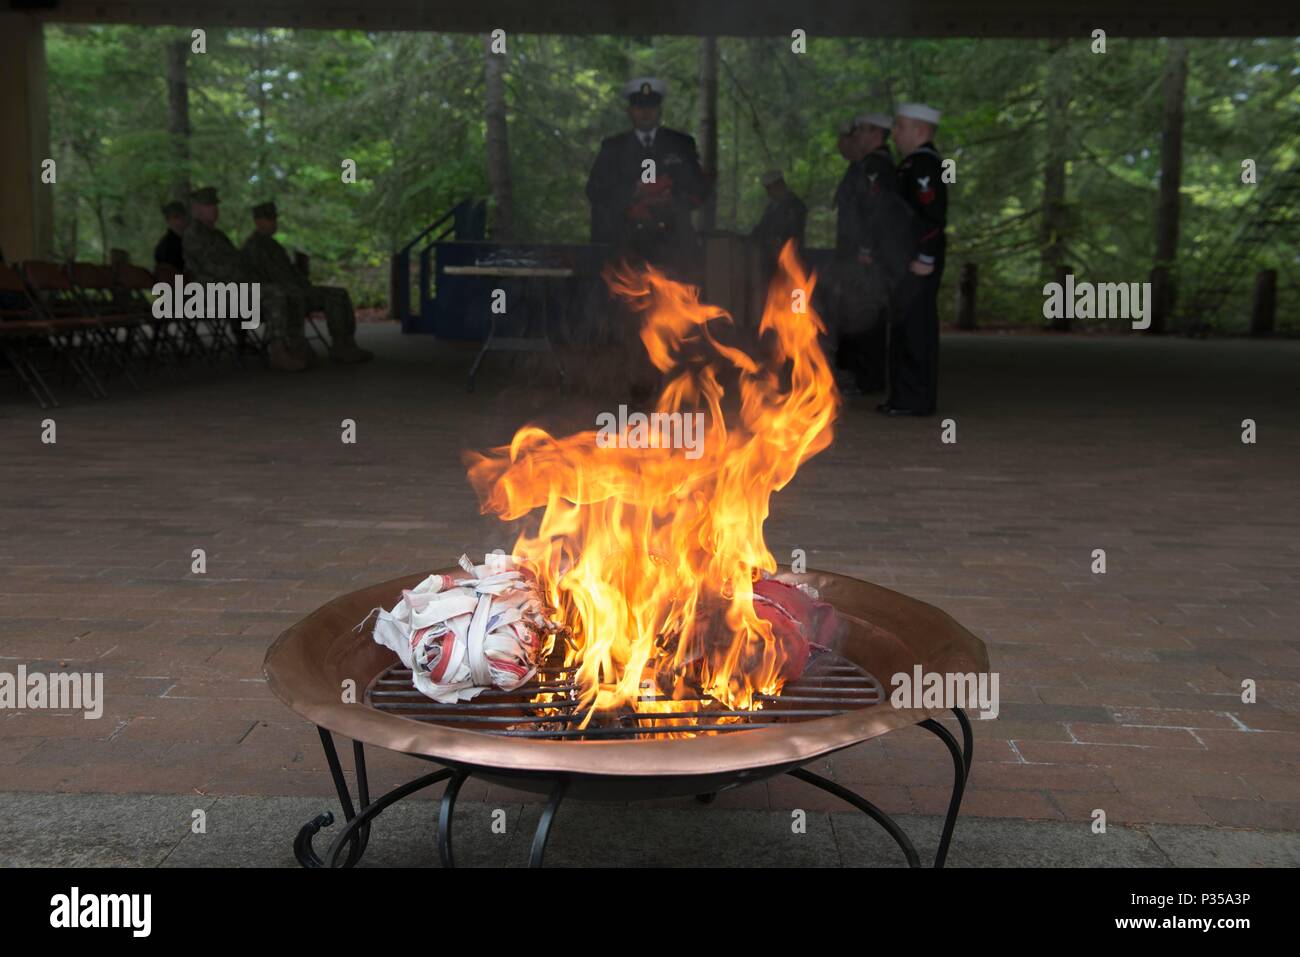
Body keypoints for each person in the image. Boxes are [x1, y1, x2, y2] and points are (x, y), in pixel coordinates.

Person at [585, 77, 709, 278]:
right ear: (630, 111)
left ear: (660, 111)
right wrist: (634, 192)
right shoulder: (613, 147)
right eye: (639, 107)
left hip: (672, 246)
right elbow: (594, 191)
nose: (645, 112)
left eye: (651, 107)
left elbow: (699, 189)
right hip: (625, 246)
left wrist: (671, 197)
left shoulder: (681, 144)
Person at [183, 186, 306, 371]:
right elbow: (215, 270)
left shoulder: (217, 235)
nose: (214, 209)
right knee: (274, 293)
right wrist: (245, 279)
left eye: (215, 205)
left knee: (289, 291)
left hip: (231, 288)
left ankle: (297, 346)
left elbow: (237, 262)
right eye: (208, 205)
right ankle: (278, 351)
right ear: (196, 209)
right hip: (213, 292)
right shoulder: (194, 236)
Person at [240, 202, 373, 364]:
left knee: (338, 294)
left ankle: (344, 344)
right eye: (269, 219)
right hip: (280, 295)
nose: (274, 223)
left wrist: (301, 280)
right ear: (258, 221)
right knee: (296, 297)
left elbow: (289, 272)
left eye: (274, 219)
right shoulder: (253, 247)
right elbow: (264, 279)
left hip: (297, 288)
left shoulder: (273, 245)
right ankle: (297, 346)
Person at [880, 103, 948, 417]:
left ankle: (915, 399)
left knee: (916, 329)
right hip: (903, 260)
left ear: (920, 130)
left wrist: (925, 256)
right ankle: (902, 396)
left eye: (900, 127)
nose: (894, 133)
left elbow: (931, 216)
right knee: (903, 327)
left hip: (917, 261)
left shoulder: (925, 165)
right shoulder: (910, 164)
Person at [749, 170, 807, 280]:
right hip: (771, 258)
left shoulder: (795, 205)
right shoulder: (771, 208)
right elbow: (762, 228)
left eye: (770, 188)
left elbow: (792, 232)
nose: (769, 193)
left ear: (779, 186)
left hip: (790, 257)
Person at [153, 201, 186, 274]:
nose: (181, 219)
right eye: (176, 217)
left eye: (183, 215)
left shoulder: (191, 240)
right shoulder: (165, 247)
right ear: (168, 220)